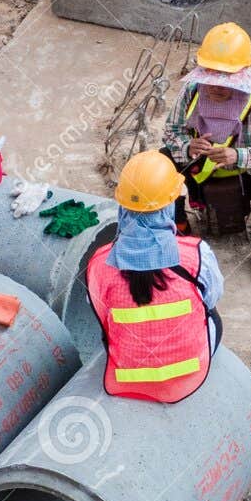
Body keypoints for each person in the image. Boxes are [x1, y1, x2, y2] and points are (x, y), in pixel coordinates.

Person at [85, 150, 224, 403]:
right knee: (212, 313)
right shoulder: (195, 254)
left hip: (127, 377)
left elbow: (98, 313)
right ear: (169, 205)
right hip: (189, 373)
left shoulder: (99, 263)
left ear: (123, 207)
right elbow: (212, 297)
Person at [161, 20, 251, 283]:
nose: (216, 86)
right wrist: (187, 147)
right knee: (161, 162)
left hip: (246, 174)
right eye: (211, 77)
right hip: (201, 168)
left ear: (241, 73)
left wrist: (239, 156)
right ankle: (178, 227)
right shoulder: (192, 91)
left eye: (225, 79)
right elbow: (171, 131)